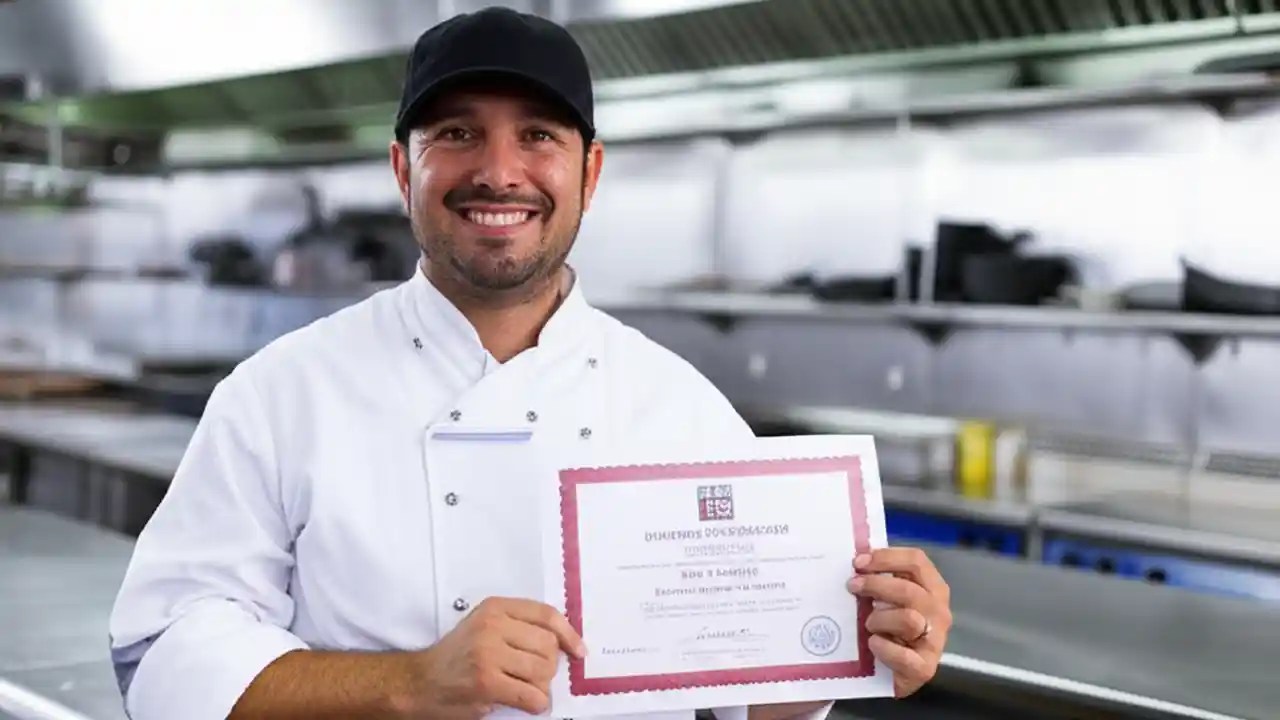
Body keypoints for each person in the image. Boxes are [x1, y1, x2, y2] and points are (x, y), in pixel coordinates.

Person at [107, 7, 952, 720]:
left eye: (538, 135)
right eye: (457, 133)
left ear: (590, 170)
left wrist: (861, 640)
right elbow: (164, 656)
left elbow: (749, 695)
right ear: (404, 169)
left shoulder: (679, 408)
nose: (499, 171)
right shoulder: (282, 393)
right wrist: (409, 683)